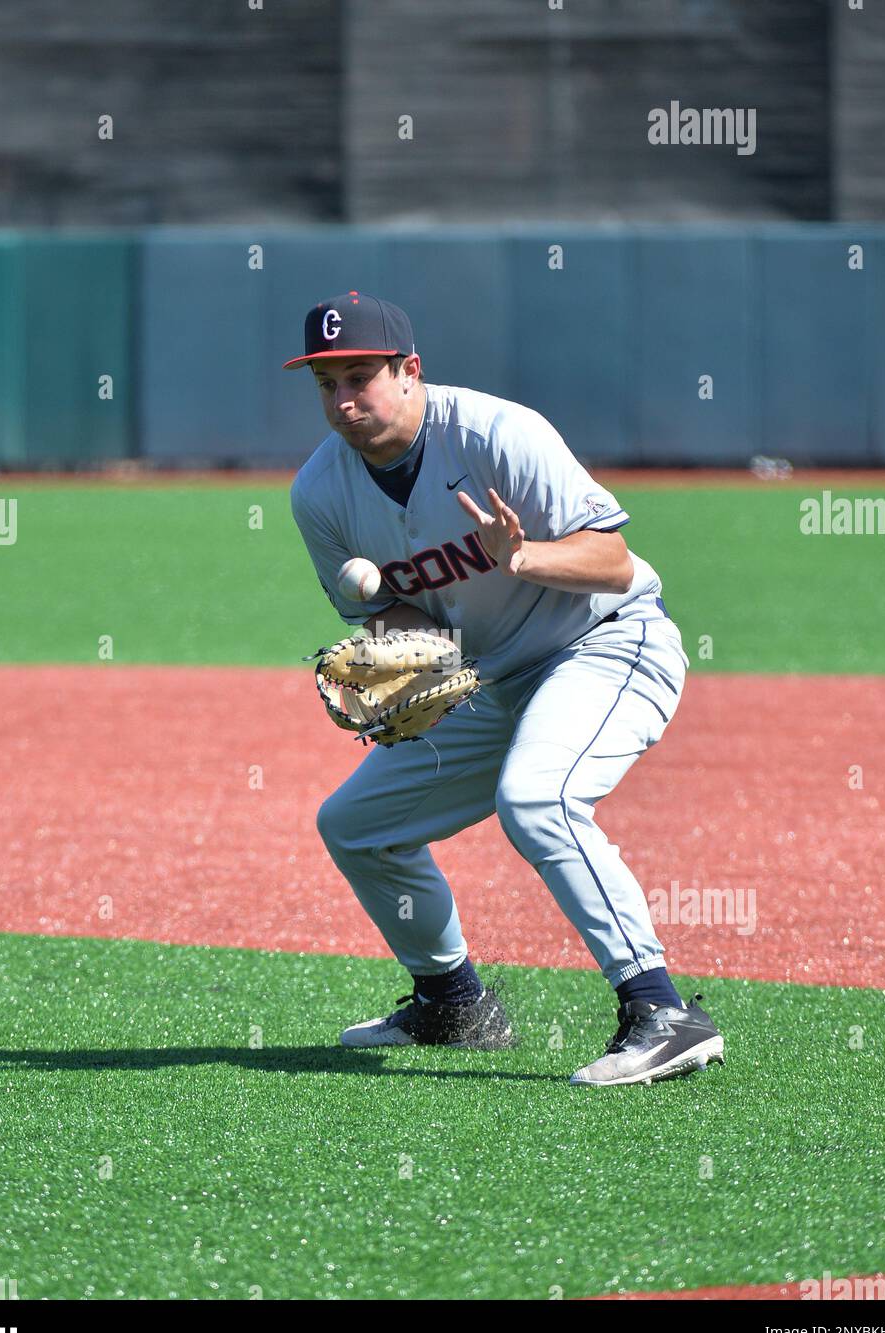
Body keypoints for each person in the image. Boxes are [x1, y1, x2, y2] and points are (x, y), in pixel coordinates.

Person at [285, 291, 724, 1086]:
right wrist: (402, 659)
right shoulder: (321, 494)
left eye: (360, 376)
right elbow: (395, 613)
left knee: (538, 798)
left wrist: (520, 558)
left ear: (409, 371)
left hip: (604, 644)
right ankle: (453, 1004)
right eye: (325, 383)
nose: (344, 400)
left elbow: (612, 563)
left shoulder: (497, 435)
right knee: (355, 823)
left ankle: (662, 1011)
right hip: (488, 678)